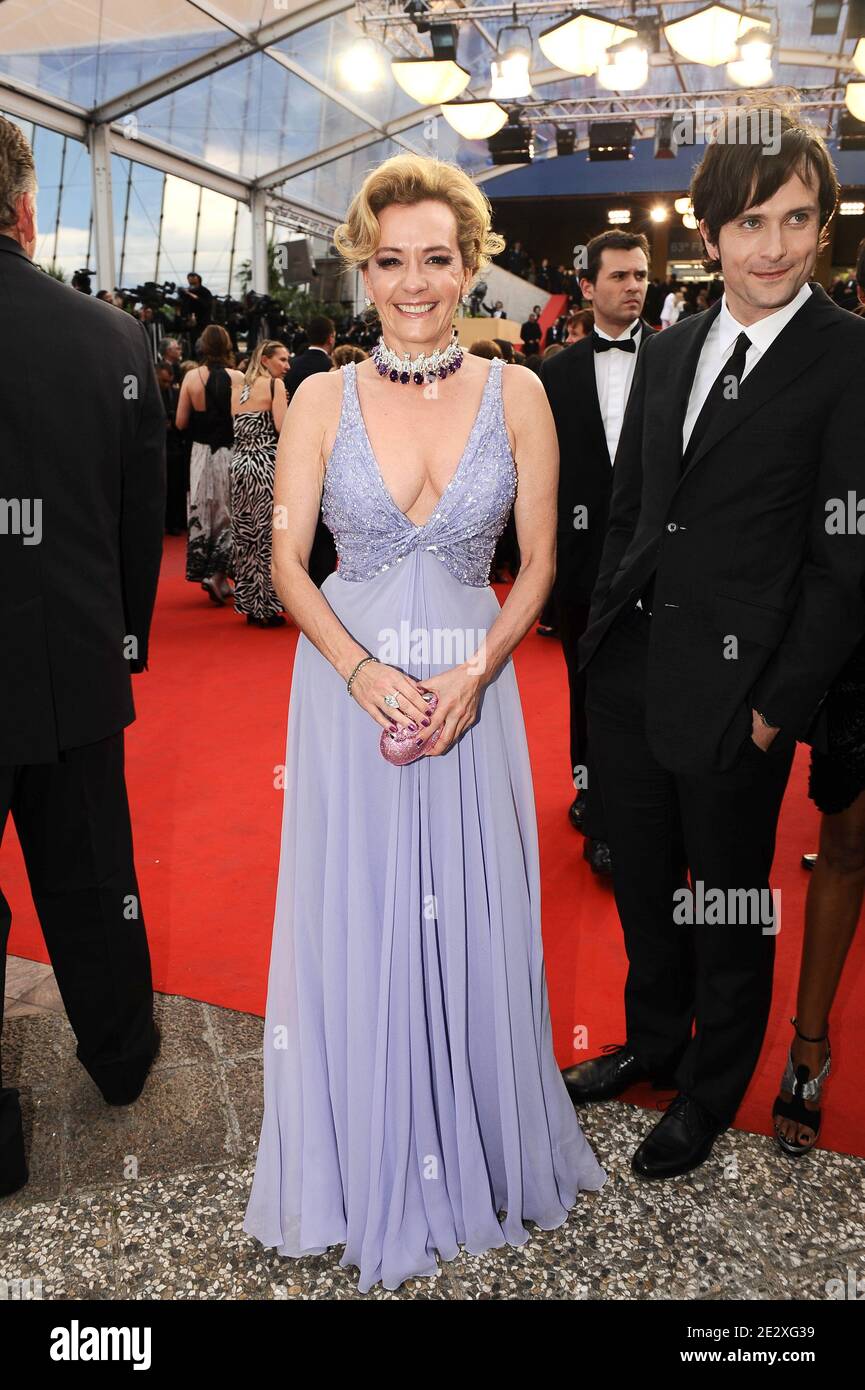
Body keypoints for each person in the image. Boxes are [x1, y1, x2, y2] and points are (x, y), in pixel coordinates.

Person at [242, 152, 605, 1293]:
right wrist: (355, 671)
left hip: (470, 688)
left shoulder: (521, 395)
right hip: (349, 696)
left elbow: (541, 562)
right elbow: (285, 564)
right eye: (390, 260)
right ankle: (358, 1157)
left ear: (471, 263)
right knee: (359, 909)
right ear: (362, 265)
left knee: (468, 906)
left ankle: (475, 1138)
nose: (413, 284)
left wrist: (480, 673)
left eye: (436, 260)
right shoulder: (316, 399)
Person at [566, 99, 865, 1181]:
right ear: (709, 236)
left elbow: (845, 563)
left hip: (742, 692)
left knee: (728, 899)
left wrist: (774, 707)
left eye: (795, 220)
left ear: (821, 225)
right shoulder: (671, 346)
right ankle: (653, 1038)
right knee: (641, 880)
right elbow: (640, 509)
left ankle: (708, 1087)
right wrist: (598, 642)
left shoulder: (846, 358)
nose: (774, 245)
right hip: (632, 671)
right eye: (749, 224)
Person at [0, 116, 165, 1195]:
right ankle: (118, 1056)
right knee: (94, 871)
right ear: (23, 207)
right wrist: (122, 640)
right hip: (69, 663)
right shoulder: (112, 340)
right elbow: (135, 514)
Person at [541, 230, 656, 879]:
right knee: (584, 686)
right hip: (581, 564)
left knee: (649, 686)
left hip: (658, 564)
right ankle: (589, 790)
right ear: (586, 288)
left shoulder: (676, 361)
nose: (633, 285)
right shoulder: (552, 373)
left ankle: (639, 804)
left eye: (639, 275)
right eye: (618, 276)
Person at [175, 323, 243, 604]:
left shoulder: (191, 378)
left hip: (201, 453)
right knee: (229, 510)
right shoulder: (238, 376)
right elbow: (243, 420)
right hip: (229, 451)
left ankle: (212, 574)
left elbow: (180, 422)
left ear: (202, 346)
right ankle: (219, 574)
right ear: (227, 346)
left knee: (204, 509)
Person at [229, 340, 289, 627]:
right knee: (267, 535)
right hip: (265, 465)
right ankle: (267, 607)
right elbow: (282, 426)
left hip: (239, 465)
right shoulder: (275, 386)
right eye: (282, 360)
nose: (286, 366)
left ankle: (250, 605)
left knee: (245, 535)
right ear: (265, 359)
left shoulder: (238, 388)